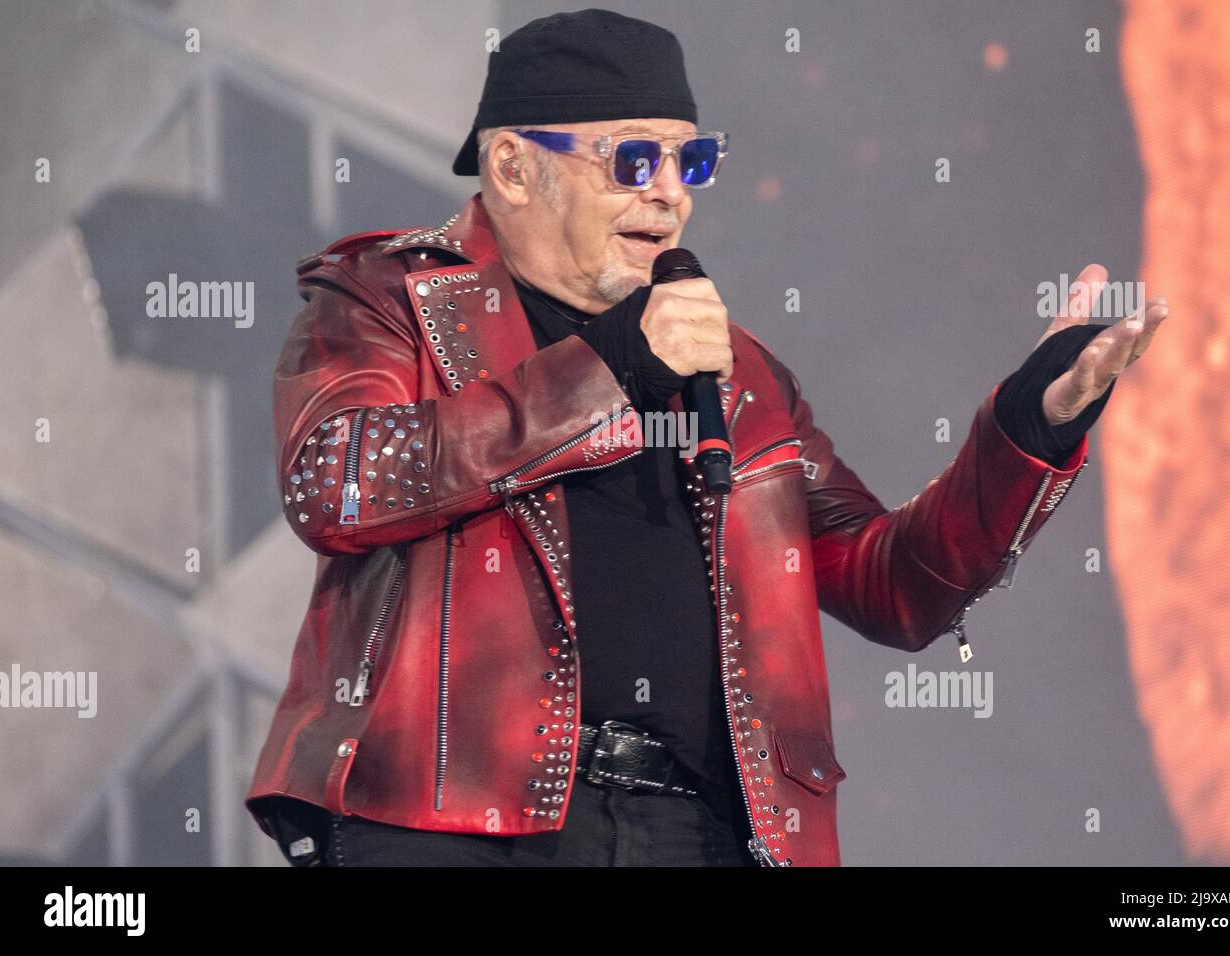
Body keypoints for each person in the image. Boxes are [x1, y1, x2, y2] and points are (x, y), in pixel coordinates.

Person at [245, 8, 1168, 867]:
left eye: (691, 163)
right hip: (455, 819)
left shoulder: (736, 370)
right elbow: (339, 482)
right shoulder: (388, 297)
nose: (670, 197)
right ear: (516, 167)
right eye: (633, 160)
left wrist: (1027, 430)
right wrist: (609, 368)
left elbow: (892, 587)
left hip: (703, 830)